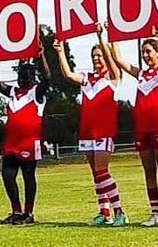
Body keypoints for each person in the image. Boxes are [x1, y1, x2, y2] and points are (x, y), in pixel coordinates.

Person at [53, 25, 127, 226]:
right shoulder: (87, 79)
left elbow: (113, 64)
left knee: (102, 171)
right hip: (87, 132)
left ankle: (119, 210)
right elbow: (68, 75)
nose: (96, 58)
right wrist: (60, 52)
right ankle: (104, 212)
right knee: (96, 173)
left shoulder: (113, 78)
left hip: (104, 131)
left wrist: (100, 36)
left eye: (100, 55)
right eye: (94, 55)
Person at [111, 32, 158, 226]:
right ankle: (154, 212)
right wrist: (111, 34)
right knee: (149, 171)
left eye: (149, 51)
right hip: (142, 129)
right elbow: (119, 60)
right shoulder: (141, 74)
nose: (146, 55)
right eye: (143, 52)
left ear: (157, 53)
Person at [0, 42, 51, 225]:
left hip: (29, 142)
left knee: (28, 176)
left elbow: (47, 78)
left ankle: (29, 212)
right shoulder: (12, 92)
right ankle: (16, 210)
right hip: (11, 143)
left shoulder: (36, 93)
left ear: (33, 77)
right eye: (21, 76)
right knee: (7, 175)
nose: (23, 79)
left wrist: (41, 57)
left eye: (27, 76)